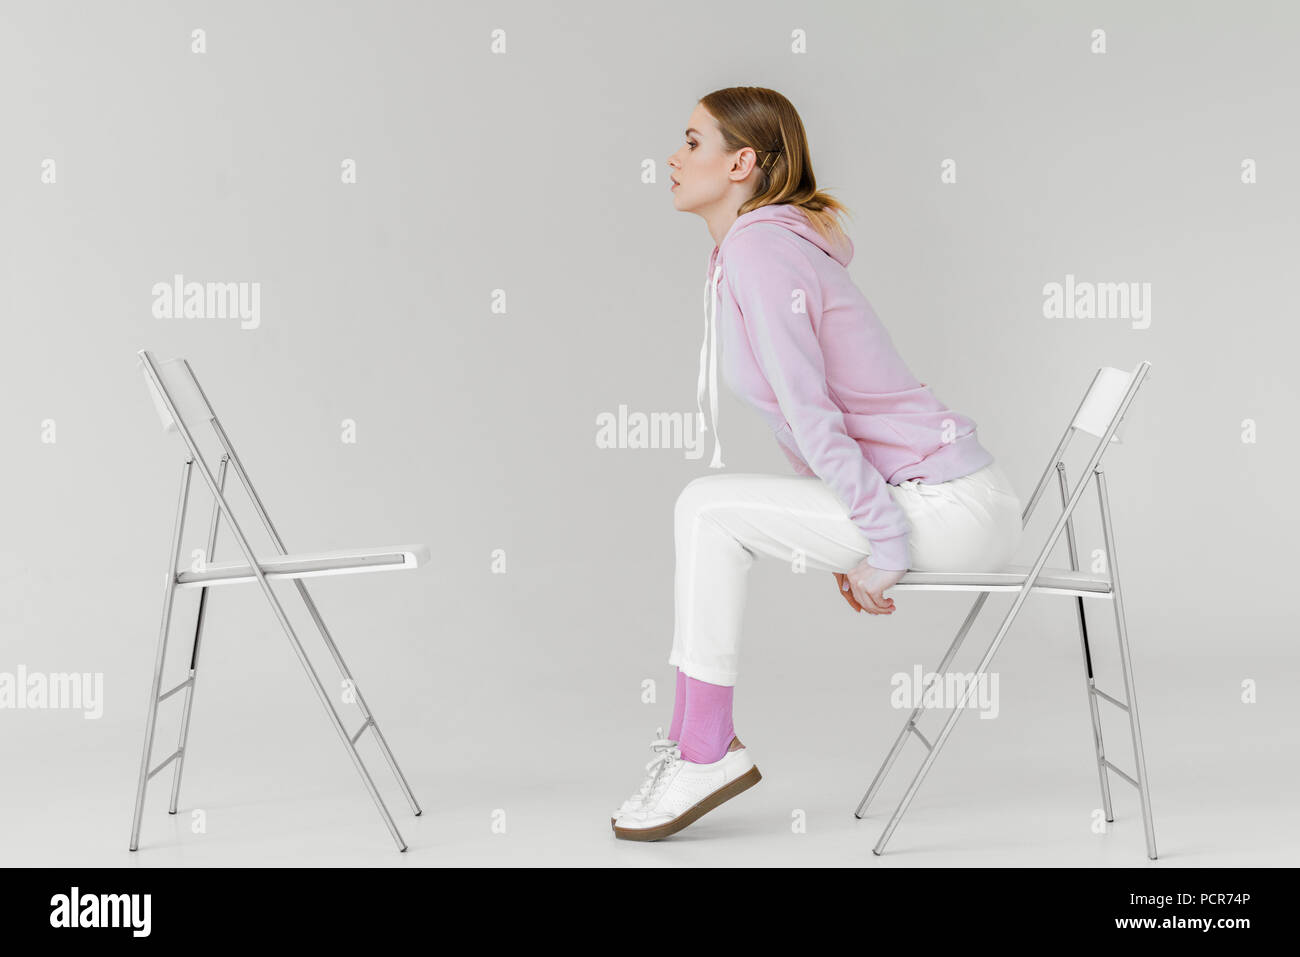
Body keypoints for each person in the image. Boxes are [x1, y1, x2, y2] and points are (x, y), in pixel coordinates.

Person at [611, 87, 1024, 842]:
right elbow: (808, 423)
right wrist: (846, 528)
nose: (673, 157)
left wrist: (882, 539)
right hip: (937, 497)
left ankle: (704, 749)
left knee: (705, 507)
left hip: (950, 506)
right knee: (706, 507)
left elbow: (812, 413)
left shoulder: (761, 250)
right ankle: (691, 745)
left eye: (693, 142)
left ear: (742, 162)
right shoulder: (758, 248)